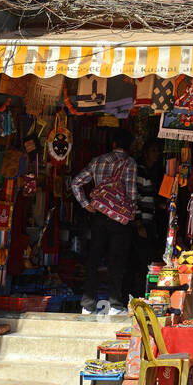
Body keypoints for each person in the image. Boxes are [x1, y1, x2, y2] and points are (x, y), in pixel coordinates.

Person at [71, 128, 138, 317]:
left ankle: (87, 305)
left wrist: (85, 204)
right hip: (119, 221)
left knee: (93, 259)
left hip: (99, 217)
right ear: (129, 146)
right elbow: (132, 195)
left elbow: (76, 182)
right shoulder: (130, 163)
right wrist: (129, 215)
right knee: (116, 262)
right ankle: (116, 305)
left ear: (114, 144)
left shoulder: (98, 161)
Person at [129, 139, 164, 297]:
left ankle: (141, 295)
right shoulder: (140, 171)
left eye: (158, 151)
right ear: (145, 153)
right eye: (153, 151)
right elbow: (134, 197)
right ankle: (137, 296)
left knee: (145, 259)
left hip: (148, 222)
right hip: (141, 223)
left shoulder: (151, 172)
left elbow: (147, 196)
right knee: (140, 261)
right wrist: (138, 224)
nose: (156, 155)